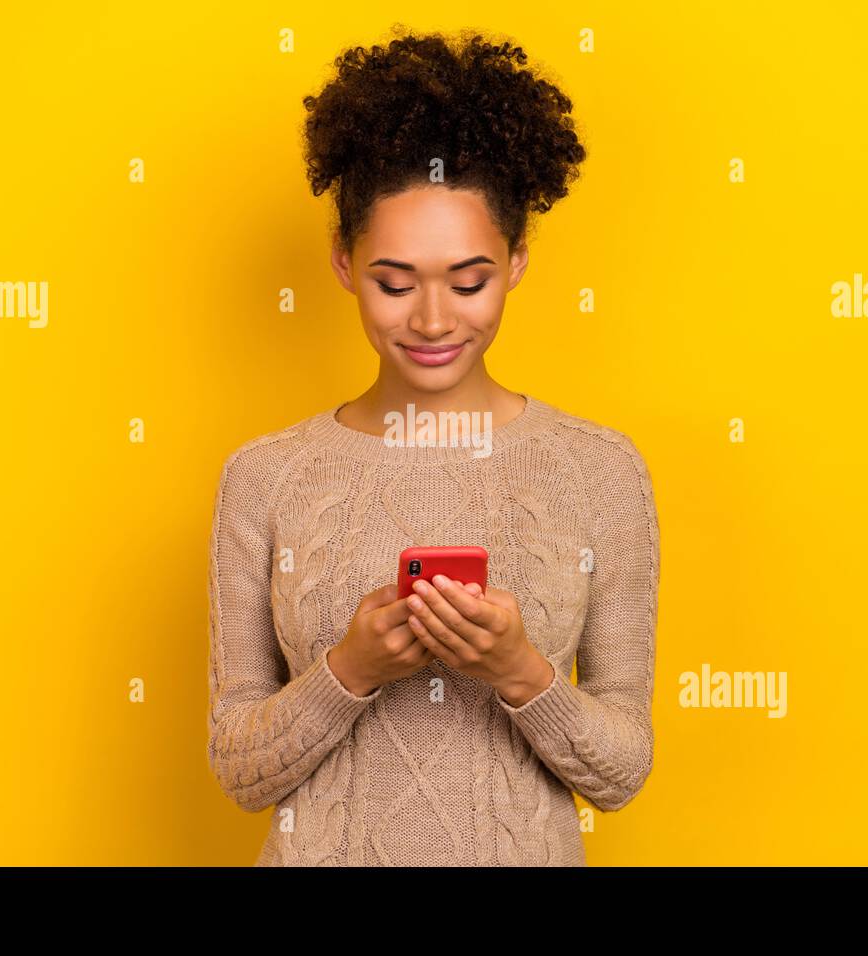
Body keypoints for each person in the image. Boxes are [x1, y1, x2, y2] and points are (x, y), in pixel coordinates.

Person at [207, 28, 659, 866]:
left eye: (468, 280)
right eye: (394, 281)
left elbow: (622, 771)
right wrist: (348, 670)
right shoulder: (264, 479)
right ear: (344, 264)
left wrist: (520, 671)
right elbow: (240, 770)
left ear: (517, 260)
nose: (432, 320)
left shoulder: (600, 473)